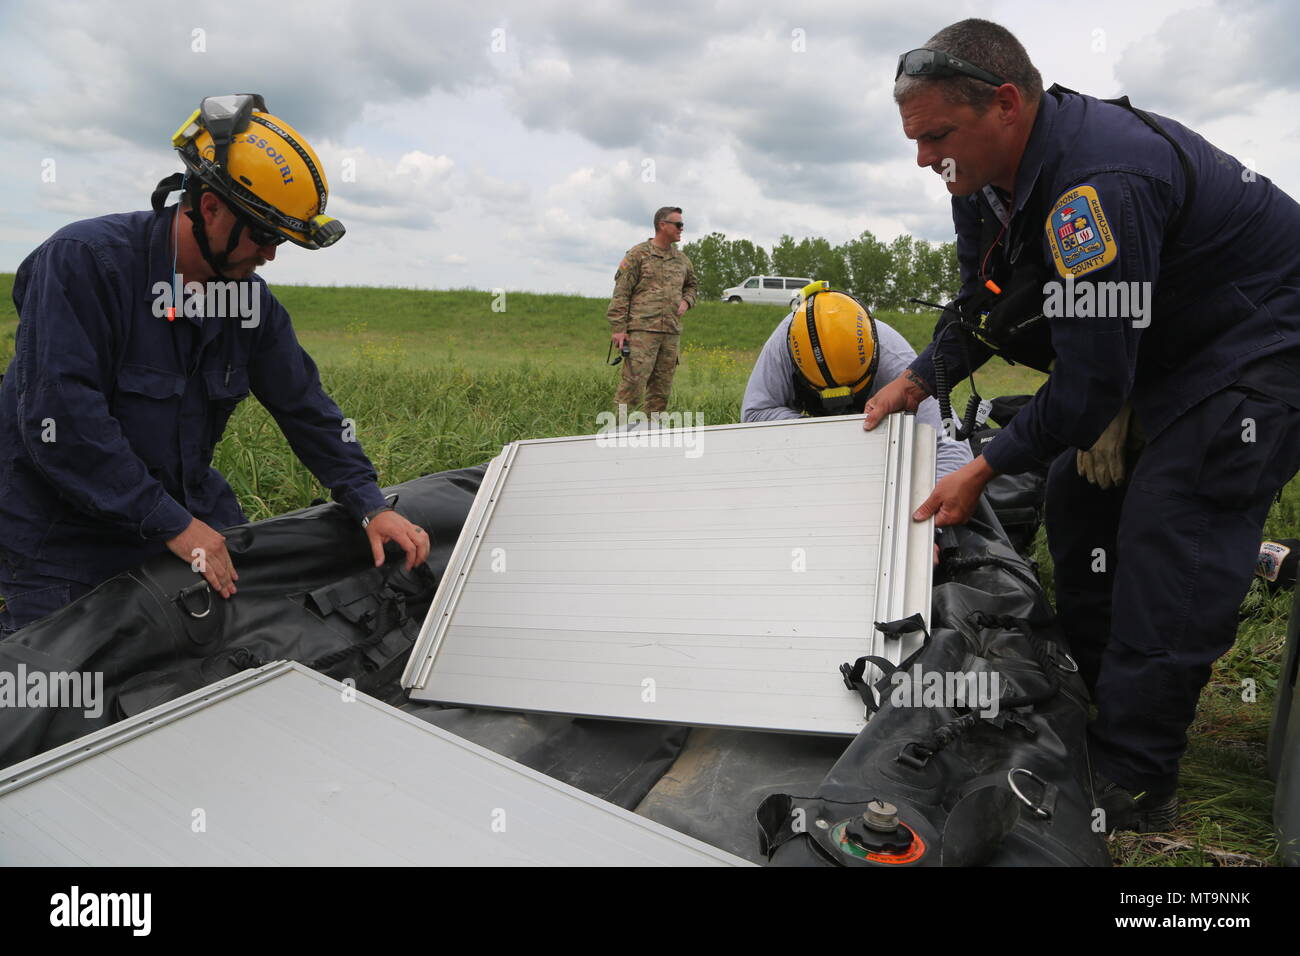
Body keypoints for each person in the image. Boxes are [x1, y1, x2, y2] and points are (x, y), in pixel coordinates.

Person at [863, 19, 1300, 833]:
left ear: (1003, 103)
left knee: (1175, 524)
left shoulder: (1096, 185)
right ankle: (1100, 704)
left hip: (1258, 346)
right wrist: (917, 380)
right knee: (1076, 500)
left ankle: (1136, 781)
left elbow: (1092, 378)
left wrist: (984, 469)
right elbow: (983, 306)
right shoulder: (982, 183)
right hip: (1162, 347)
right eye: (916, 141)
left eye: (937, 136)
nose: (923, 159)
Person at [0, 93, 430, 635]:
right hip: (62, 534)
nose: (270, 255)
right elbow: (63, 424)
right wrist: (175, 526)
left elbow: (306, 409)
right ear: (209, 209)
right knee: (59, 699)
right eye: (265, 235)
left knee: (236, 648)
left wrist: (370, 504)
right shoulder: (87, 263)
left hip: (183, 509)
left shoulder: (248, 302)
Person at [741, 284, 972, 480]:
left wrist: (929, 527)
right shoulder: (784, 344)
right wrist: (830, 435)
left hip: (882, 460)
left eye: (855, 388)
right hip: (808, 458)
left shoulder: (893, 356)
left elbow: (952, 444)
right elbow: (753, 416)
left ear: (873, 361)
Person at [606, 207, 699, 417]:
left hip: (670, 333)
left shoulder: (682, 260)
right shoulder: (638, 255)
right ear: (662, 225)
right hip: (642, 332)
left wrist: (687, 301)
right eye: (678, 224)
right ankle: (617, 432)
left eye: (682, 225)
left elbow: (692, 285)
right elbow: (621, 292)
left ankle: (652, 437)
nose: (682, 229)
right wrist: (619, 329)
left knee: (661, 391)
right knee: (632, 386)